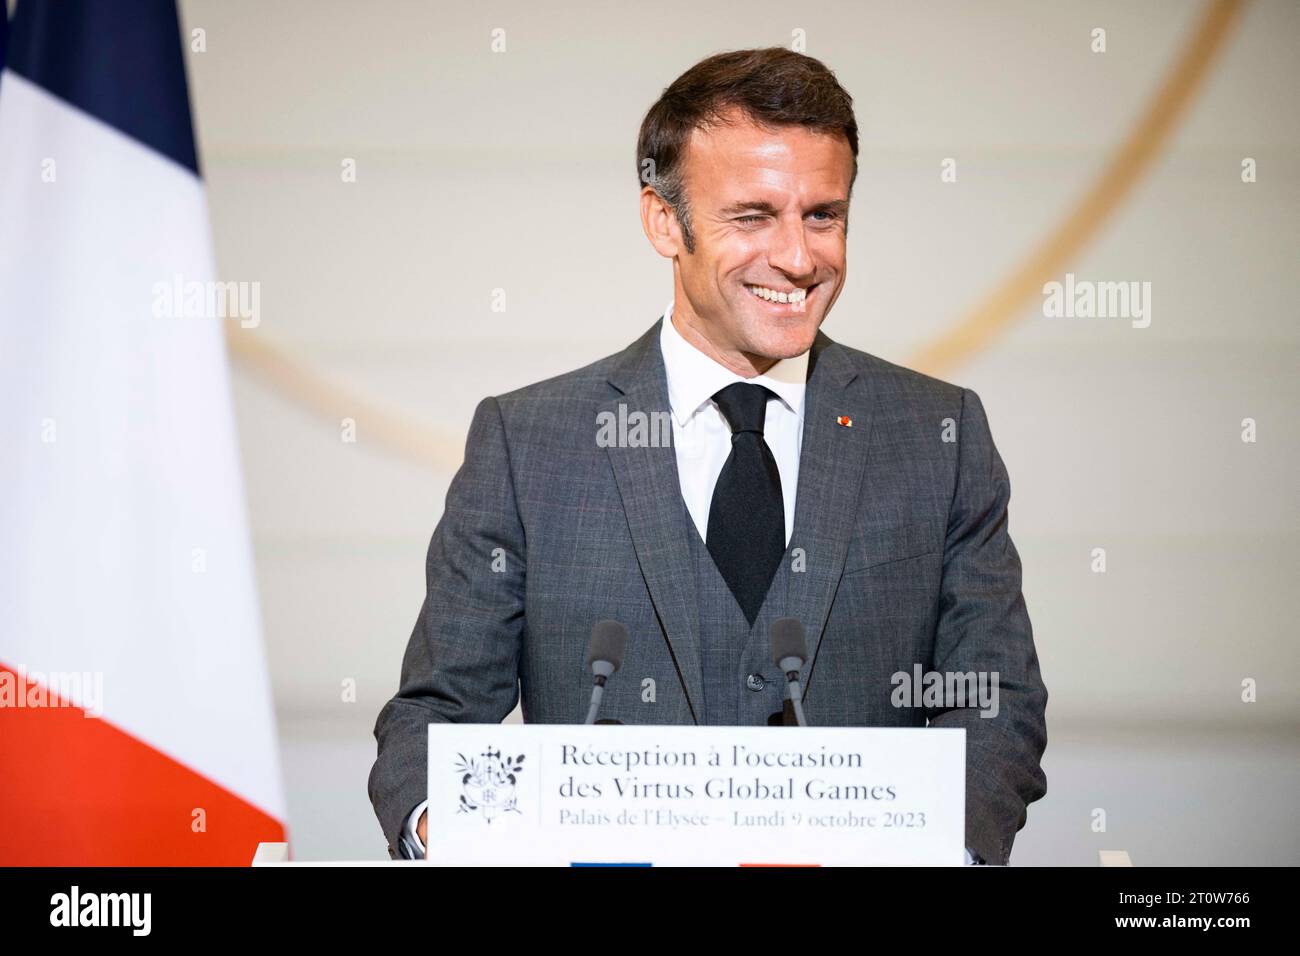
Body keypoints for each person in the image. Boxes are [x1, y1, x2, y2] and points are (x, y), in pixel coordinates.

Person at [369, 47, 1048, 865]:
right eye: (753, 216)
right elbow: (437, 718)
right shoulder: (529, 442)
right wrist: (456, 834)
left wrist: (944, 852)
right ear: (664, 220)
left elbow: (995, 704)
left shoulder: (939, 434)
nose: (798, 258)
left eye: (824, 214)